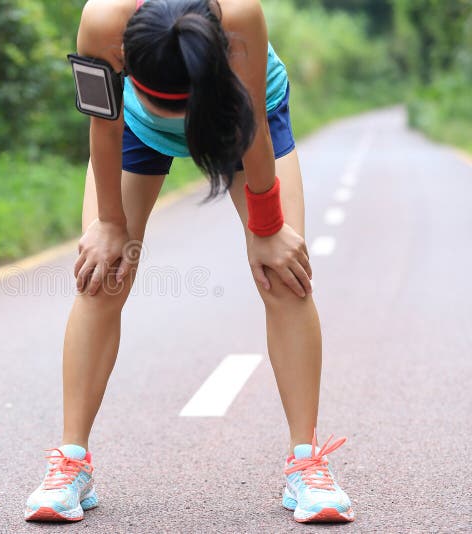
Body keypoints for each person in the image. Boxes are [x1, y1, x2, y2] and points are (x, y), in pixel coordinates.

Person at [24, 0, 355, 524]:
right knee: (100, 277)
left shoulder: (239, 16)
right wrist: (109, 225)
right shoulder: (101, 21)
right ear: (126, 58)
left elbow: (252, 131)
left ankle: (306, 465)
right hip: (131, 127)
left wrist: (267, 229)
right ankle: (70, 463)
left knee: (285, 276)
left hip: (243, 119)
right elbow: (102, 126)